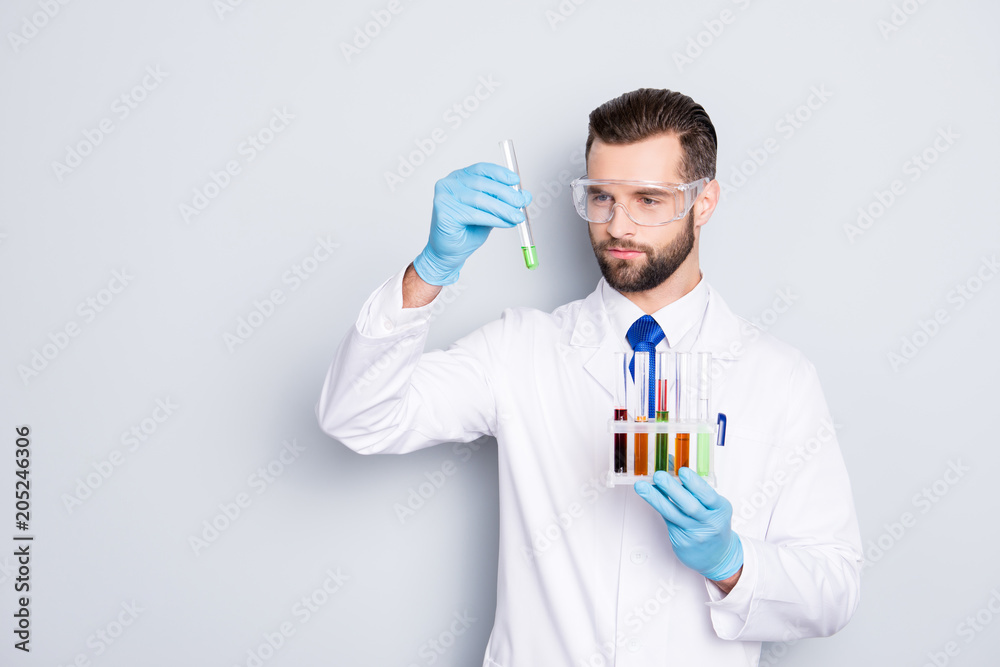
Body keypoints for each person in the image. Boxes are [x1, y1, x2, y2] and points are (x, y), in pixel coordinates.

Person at [316, 88, 863, 666]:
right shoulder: (520, 350)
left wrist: (731, 562)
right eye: (600, 197)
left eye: (648, 199)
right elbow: (358, 417)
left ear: (704, 202)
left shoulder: (777, 378)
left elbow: (835, 591)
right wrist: (430, 270)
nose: (617, 225)